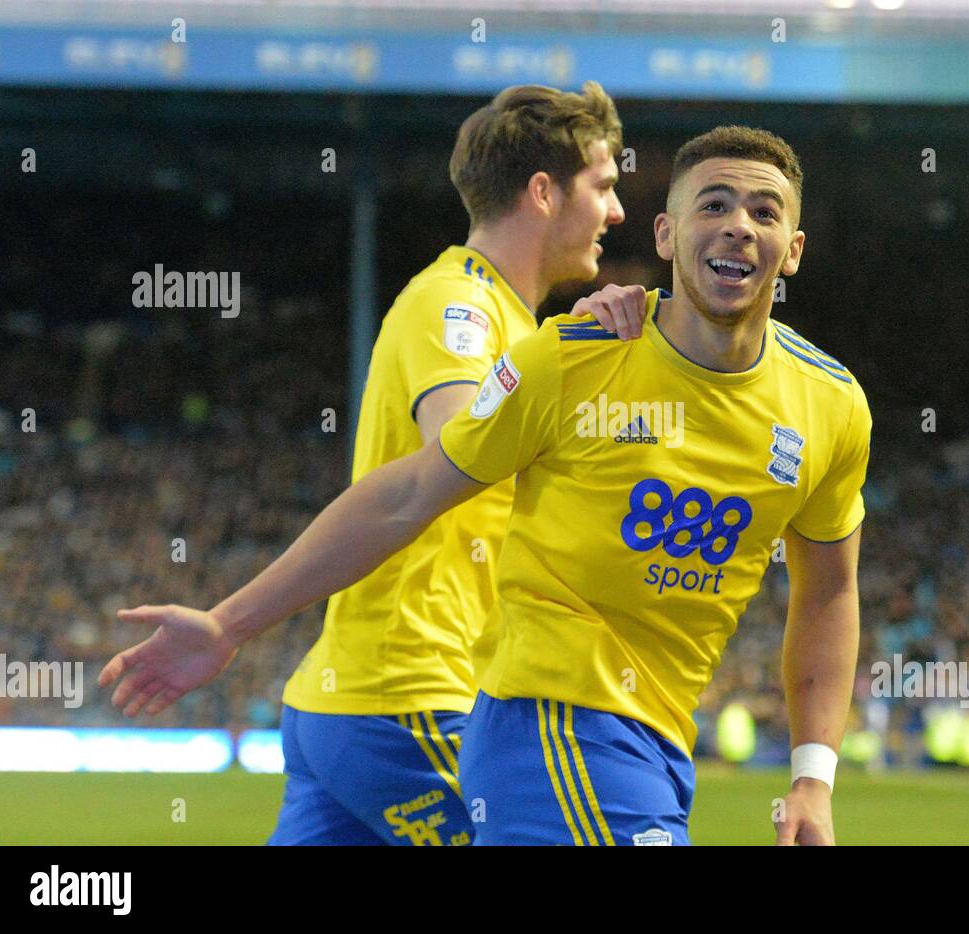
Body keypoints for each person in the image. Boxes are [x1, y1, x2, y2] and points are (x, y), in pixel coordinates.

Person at [101, 125, 871, 846]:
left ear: (793, 249)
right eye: (715, 204)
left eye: (764, 211)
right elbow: (410, 490)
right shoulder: (567, 358)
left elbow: (830, 592)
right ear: (667, 235)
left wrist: (813, 776)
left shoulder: (831, 406)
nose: (739, 223)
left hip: (655, 736)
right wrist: (230, 623)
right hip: (552, 725)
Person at [106, 81, 641, 846]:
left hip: (355, 701)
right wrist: (559, 360)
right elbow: (455, 450)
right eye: (604, 186)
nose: (616, 210)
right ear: (543, 192)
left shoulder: (511, 325)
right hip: (413, 696)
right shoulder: (456, 303)